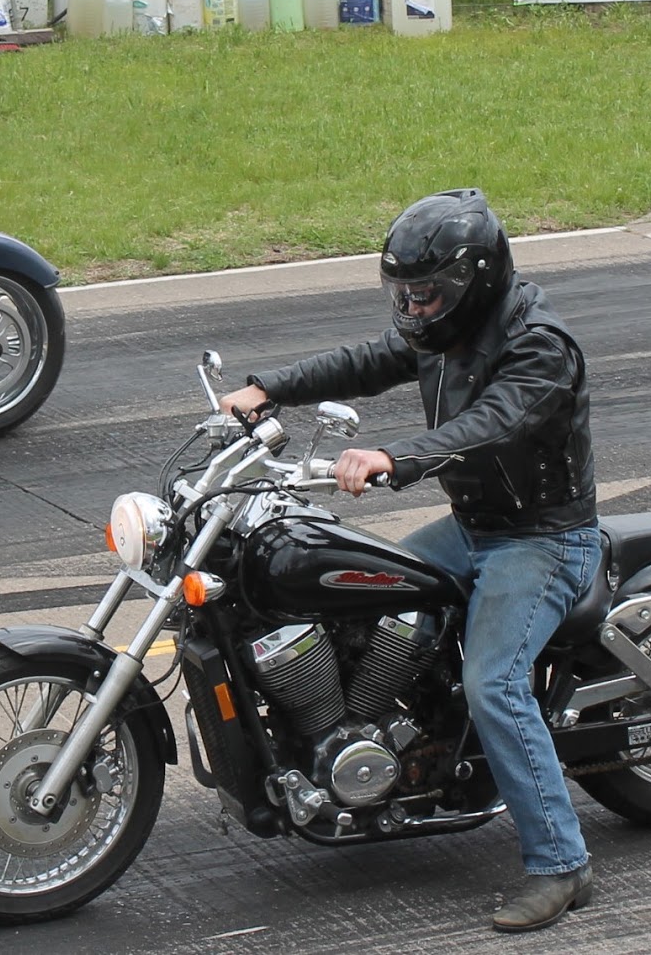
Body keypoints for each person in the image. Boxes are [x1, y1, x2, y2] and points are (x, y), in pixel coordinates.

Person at [219, 188, 600, 933]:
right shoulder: (443, 331)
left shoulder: (539, 346)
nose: (415, 310)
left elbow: (491, 424)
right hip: (474, 524)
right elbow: (367, 360)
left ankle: (561, 864)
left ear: (475, 279)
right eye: (407, 294)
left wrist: (399, 456)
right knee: (369, 602)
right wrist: (270, 388)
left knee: (495, 683)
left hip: (542, 539)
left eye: (428, 295)